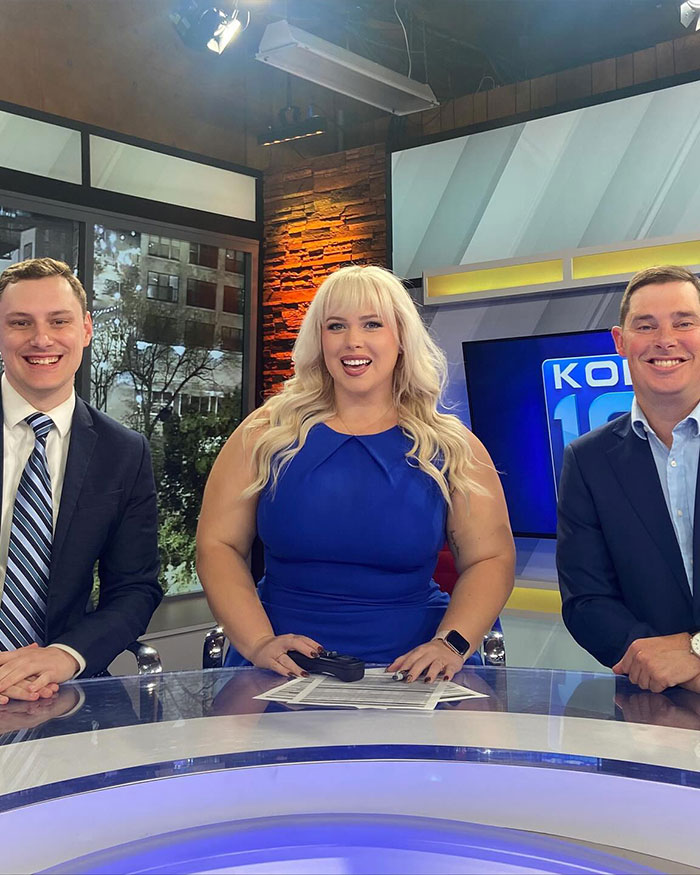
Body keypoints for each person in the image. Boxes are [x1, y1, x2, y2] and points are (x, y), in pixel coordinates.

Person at [197, 264, 514, 683]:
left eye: (372, 324)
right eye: (336, 326)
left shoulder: (451, 445)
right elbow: (216, 545)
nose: (353, 342)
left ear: (400, 337)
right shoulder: (265, 433)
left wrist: (450, 644)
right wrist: (257, 643)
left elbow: (491, 558)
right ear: (319, 339)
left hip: (418, 668)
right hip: (281, 664)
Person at [0, 257, 161, 704]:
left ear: (86, 330)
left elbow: (134, 588)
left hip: (62, 693)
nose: (41, 339)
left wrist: (64, 656)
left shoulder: (124, 452)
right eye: (19, 322)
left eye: (59, 321)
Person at [557, 265, 700, 693]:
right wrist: (657, 662)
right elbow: (586, 600)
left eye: (684, 322)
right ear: (621, 342)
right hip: (653, 706)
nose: (665, 340)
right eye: (646, 325)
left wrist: (693, 654)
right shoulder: (587, 459)